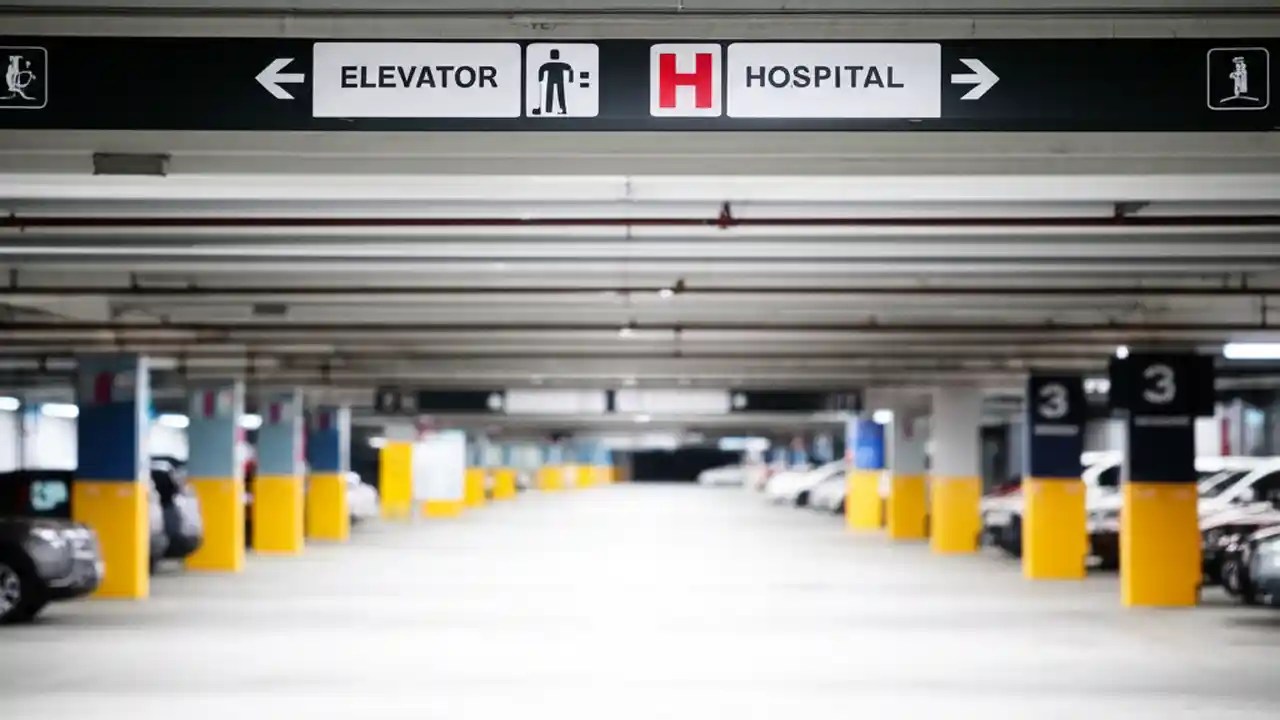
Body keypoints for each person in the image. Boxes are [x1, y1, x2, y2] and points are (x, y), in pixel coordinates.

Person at [538, 49, 573, 115]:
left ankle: (548, 110)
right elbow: (570, 69)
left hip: (551, 80)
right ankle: (562, 110)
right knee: (560, 95)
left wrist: (540, 78)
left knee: (550, 94)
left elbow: (541, 69)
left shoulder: (548, 64)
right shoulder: (562, 64)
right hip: (559, 80)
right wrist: (571, 79)